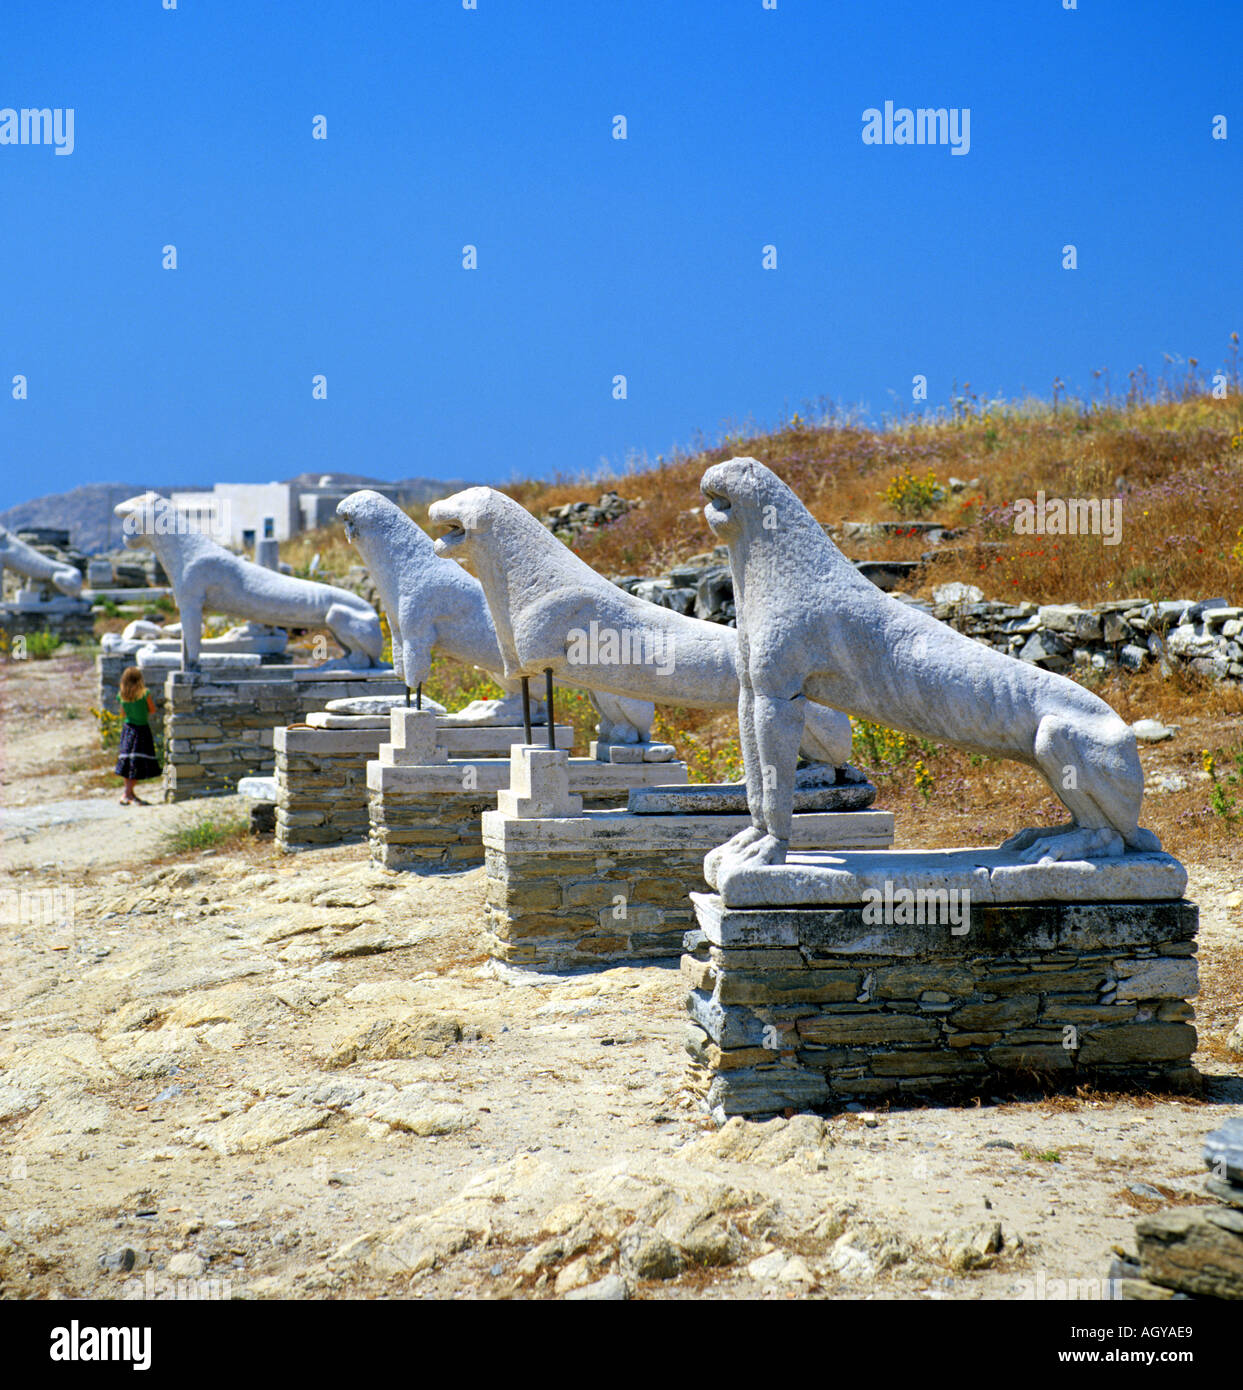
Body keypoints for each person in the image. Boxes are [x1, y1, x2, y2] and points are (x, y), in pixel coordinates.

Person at [115, 666, 161, 805]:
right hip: (141, 730)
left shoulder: (122, 695)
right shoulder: (144, 693)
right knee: (137, 762)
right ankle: (127, 794)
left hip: (128, 729)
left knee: (128, 761)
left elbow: (123, 714)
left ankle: (129, 794)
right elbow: (152, 710)